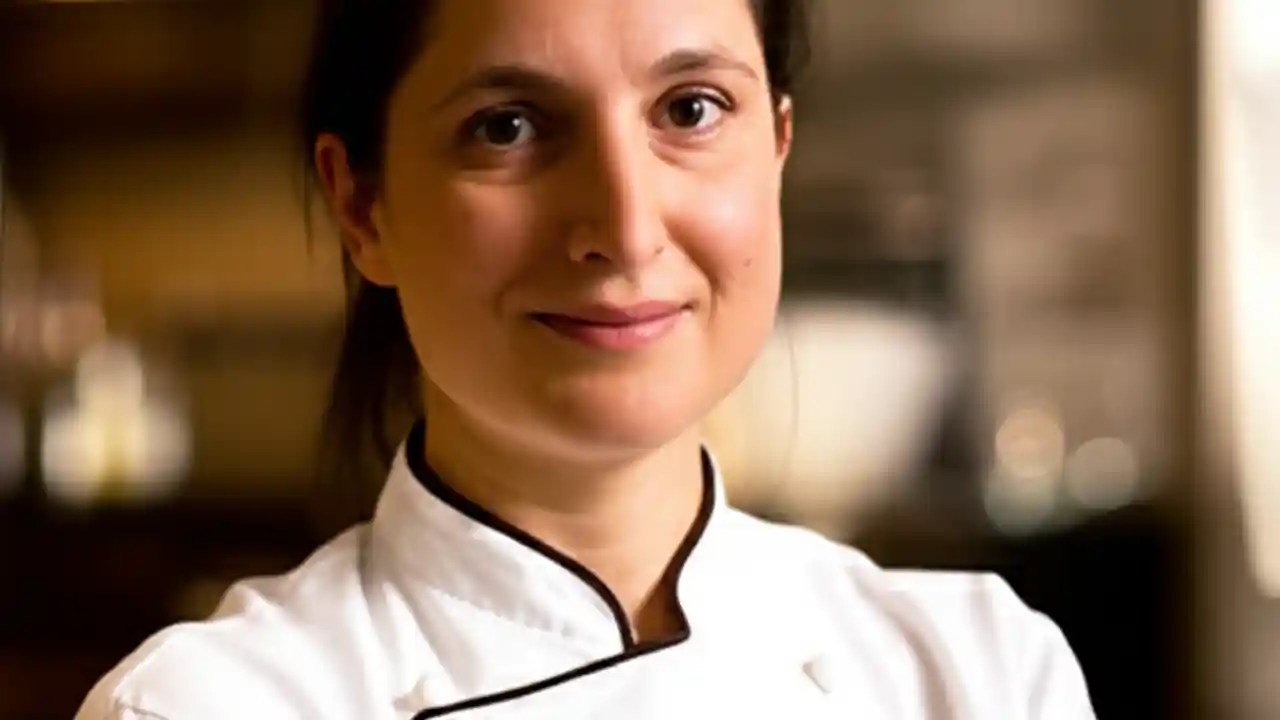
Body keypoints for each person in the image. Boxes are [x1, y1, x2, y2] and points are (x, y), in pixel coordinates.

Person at [77, 0, 1096, 717]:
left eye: (690, 109)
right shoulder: (203, 707)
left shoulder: (978, 675)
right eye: (507, 126)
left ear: (775, 149)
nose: (623, 224)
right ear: (362, 205)